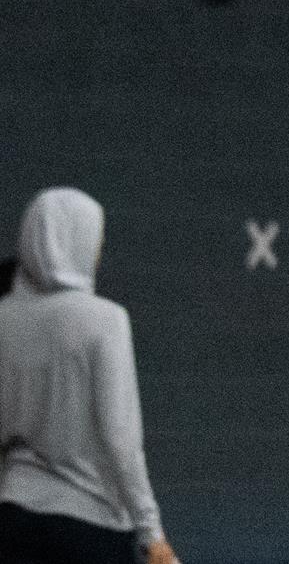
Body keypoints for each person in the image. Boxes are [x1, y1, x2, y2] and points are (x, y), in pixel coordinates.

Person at [0, 188, 178, 564]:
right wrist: (152, 532)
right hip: (90, 529)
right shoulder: (105, 321)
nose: (97, 255)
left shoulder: (5, 320)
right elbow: (120, 438)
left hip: (12, 523)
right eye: (96, 241)